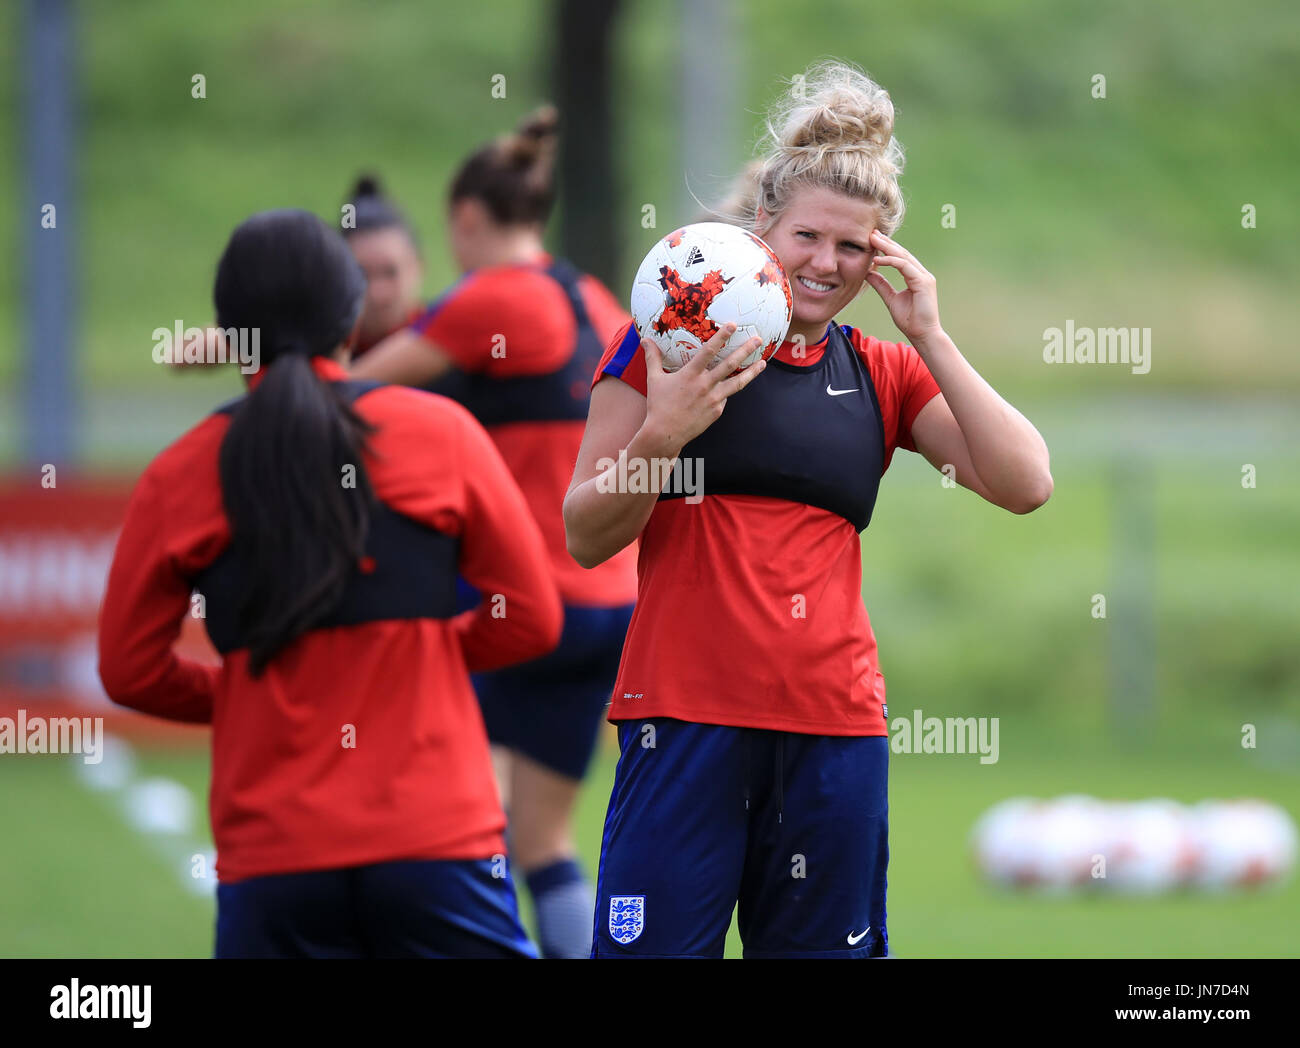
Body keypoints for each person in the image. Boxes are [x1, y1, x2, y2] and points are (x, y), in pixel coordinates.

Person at [564, 60, 1054, 958]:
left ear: (882, 258)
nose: (826, 263)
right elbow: (586, 532)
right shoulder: (665, 339)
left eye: (854, 248)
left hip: (834, 730)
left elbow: (1025, 483)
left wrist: (932, 337)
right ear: (763, 228)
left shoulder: (883, 370)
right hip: (683, 720)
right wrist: (660, 437)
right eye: (808, 237)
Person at [98, 209, 563, 958]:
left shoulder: (178, 472)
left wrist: (247, 693)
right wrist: (426, 656)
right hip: (436, 839)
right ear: (352, 318)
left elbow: (128, 671)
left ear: (229, 329)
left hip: (275, 856)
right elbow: (531, 620)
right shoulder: (440, 433)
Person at [350, 107, 638, 959]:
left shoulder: (488, 300)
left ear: (467, 219)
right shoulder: (590, 294)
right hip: (611, 604)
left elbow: (349, 394)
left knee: (443, 826)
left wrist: (244, 344)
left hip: (524, 607)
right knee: (540, 843)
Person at [341, 175, 426, 360]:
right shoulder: (319, 357)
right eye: (361, 276)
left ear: (418, 267)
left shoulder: (449, 349)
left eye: (390, 273)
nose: (377, 294)